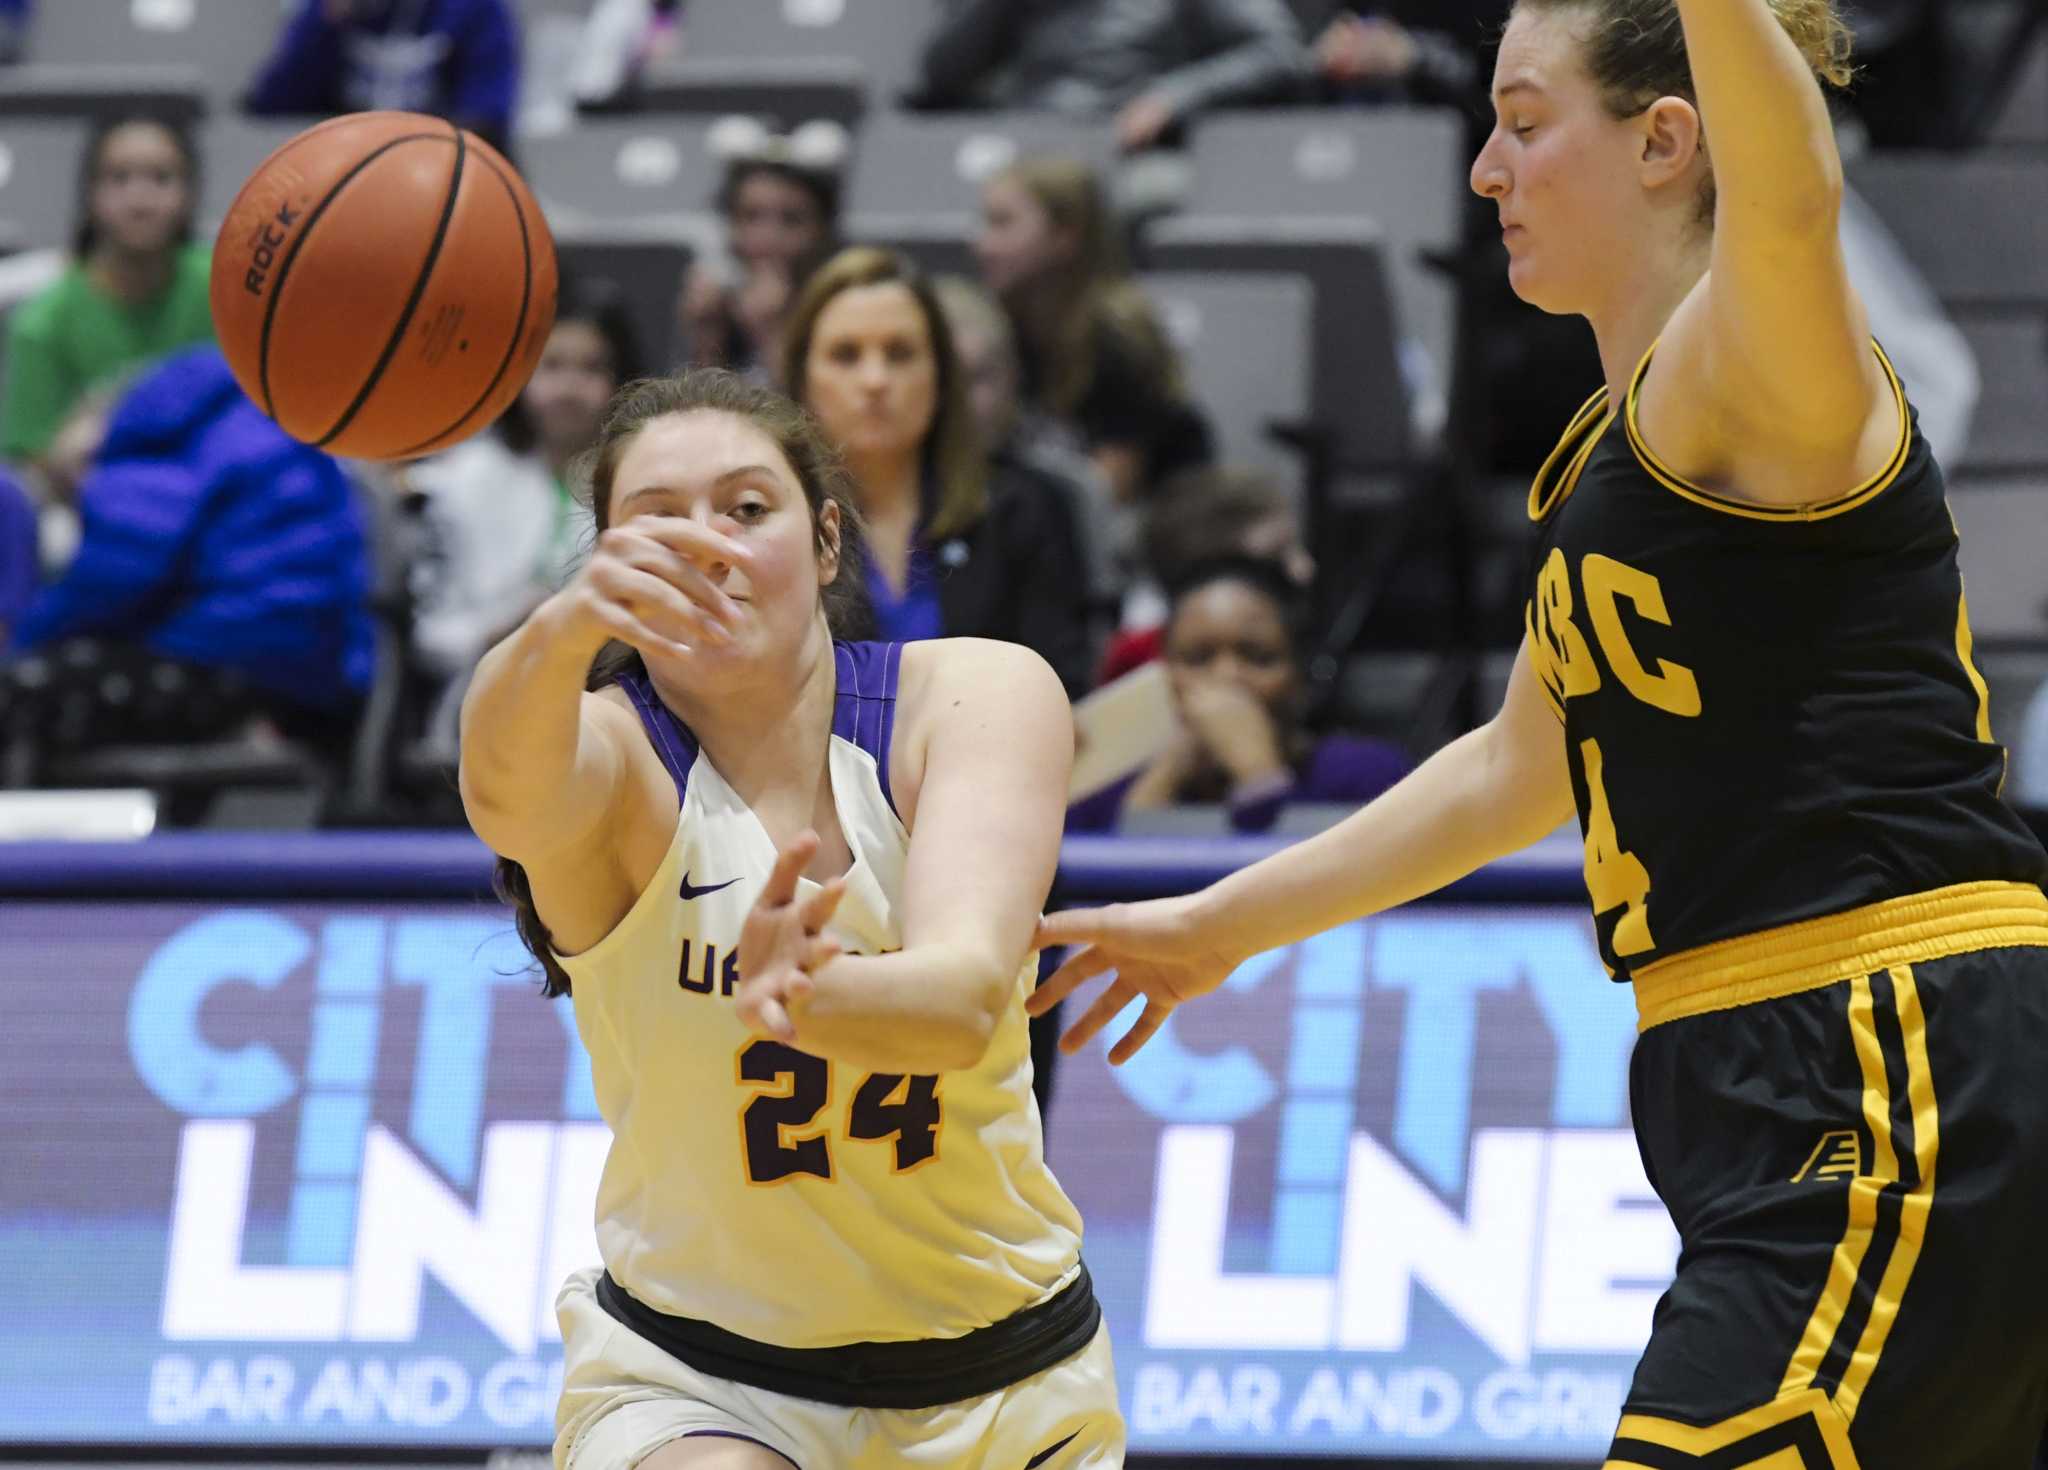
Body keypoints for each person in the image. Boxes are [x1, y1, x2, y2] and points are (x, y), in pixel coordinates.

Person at [1033, 2, 2048, 1464]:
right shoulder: (1617, 446)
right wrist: (1221, 925)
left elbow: (1797, 193)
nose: (1483, 169)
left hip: (1877, 1044)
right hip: (1778, 1067)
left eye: (1522, 120)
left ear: (1664, 141)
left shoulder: (1757, 367)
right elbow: (1516, 769)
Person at [459, 368, 1123, 1469]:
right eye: (655, 522)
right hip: (700, 1384)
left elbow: (958, 1002)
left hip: (1004, 1385)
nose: (702, 545)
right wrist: (566, 625)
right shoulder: (615, 762)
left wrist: (816, 997)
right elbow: (499, 784)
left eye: (745, 509)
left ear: (823, 545)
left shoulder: (972, 698)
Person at [4, 345, 375, 758]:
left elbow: (118, 571)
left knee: (20, 691)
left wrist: (29, 639)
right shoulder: (250, 421)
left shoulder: (153, 442)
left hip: (231, 660)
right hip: (315, 671)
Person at [781, 246, 1094, 698]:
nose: (875, 380)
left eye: (900, 353)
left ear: (941, 376)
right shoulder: (770, 525)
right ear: (801, 378)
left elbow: (1059, 690)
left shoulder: (1022, 511)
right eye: (846, 355)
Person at [406, 277, 646, 744]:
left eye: (592, 368)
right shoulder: (461, 480)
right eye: (551, 366)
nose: (570, 387)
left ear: (620, 380)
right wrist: (497, 633)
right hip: (479, 707)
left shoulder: (645, 483)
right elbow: (429, 632)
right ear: (518, 375)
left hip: (611, 703)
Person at [1069, 557, 1410, 832]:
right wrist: (1168, 774)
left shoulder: (1367, 776)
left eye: (1258, 657)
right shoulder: (1102, 791)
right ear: (1164, 673)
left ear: (1299, 677)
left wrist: (1259, 774)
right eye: (1198, 658)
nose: (1227, 677)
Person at [976, 157, 1215, 504]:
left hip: (1157, 521)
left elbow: (1110, 495)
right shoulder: (998, 323)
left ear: (1065, 235)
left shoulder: (1119, 334)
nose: (982, 244)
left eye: (1002, 224)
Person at [0, 113, 213, 466]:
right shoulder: (42, 322)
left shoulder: (235, 291)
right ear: (89, 193)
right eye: (119, 178)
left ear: (191, 192)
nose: (139, 199)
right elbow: (28, 467)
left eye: (161, 178)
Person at [918, 0, 1310, 151]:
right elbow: (942, 73)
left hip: (1130, 144)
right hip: (1028, 137)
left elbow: (1277, 50)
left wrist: (1172, 98)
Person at [678, 121, 845, 382]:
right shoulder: (715, 308)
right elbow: (698, 415)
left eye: (791, 219)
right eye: (751, 217)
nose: (767, 239)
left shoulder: (843, 313)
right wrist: (706, 337)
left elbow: (813, 419)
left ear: (823, 232)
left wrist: (770, 332)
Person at [244, 0, 520, 154]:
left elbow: (488, 120)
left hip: (444, 172)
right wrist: (325, 24)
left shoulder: (476, 9)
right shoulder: (325, 11)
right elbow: (272, 104)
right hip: (345, 174)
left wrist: (396, 154)